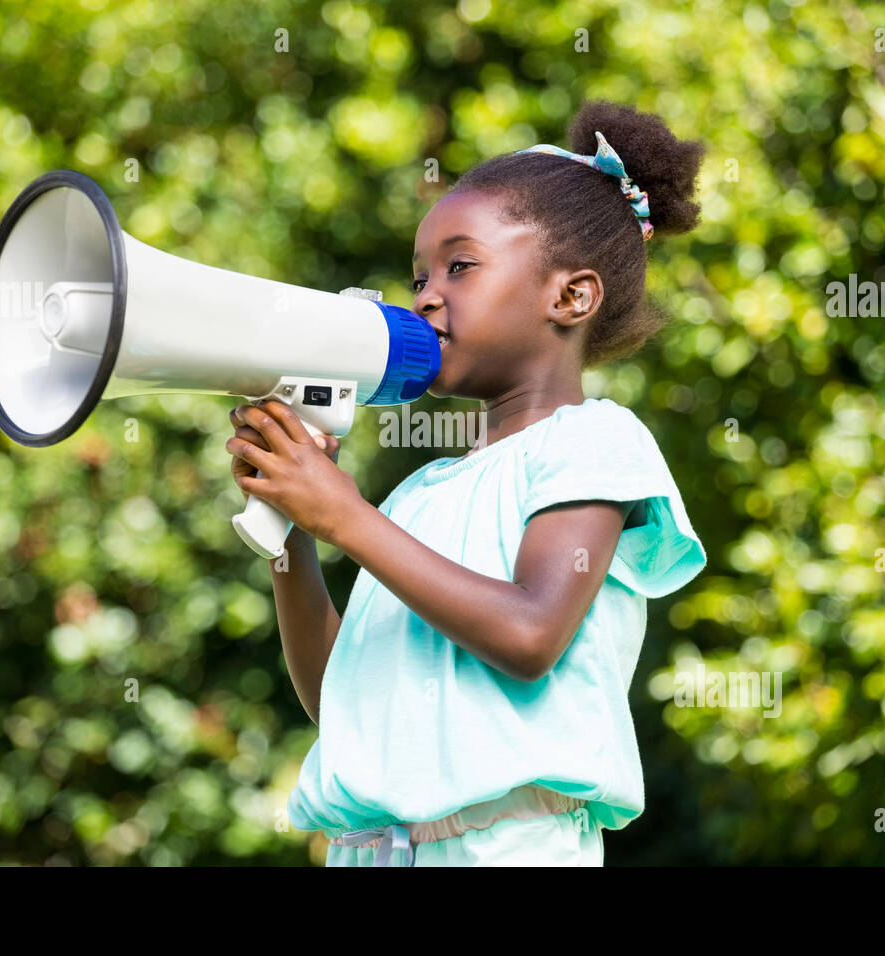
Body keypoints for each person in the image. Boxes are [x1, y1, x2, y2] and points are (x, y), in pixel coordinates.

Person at [224, 98, 708, 866]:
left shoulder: (594, 441)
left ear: (570, 297)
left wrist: (343, 516)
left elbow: (528, 633)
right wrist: (292, 535)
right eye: (420, 275)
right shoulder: (419, 496)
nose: (425, 295)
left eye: (460, 265)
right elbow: (342, 706)